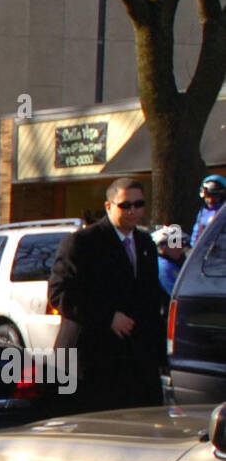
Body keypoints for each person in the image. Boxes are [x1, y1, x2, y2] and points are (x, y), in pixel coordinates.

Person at [48, 177, 166, 413]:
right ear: (109, 206)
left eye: (139, 204)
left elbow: (150, 296)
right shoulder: (82, 242)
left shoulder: (145, 244)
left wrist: (158, 353)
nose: (133, 211)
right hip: (89, 359)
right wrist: (108, 317)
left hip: (133, 361)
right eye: (125, 205)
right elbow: (60, 293)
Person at [190, 174, 226, 245]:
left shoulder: (223, 212)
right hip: (202, 251)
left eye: (215, 196)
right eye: (208, 196)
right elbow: (196, 234)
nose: (210, 200)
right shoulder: (202, 212)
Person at [152, 225, 184, 298]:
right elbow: (178, 295)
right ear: (162, 247)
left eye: (180, 243)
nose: (180, 247)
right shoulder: (165, 267)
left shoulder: (169, 263)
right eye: (174, 244)